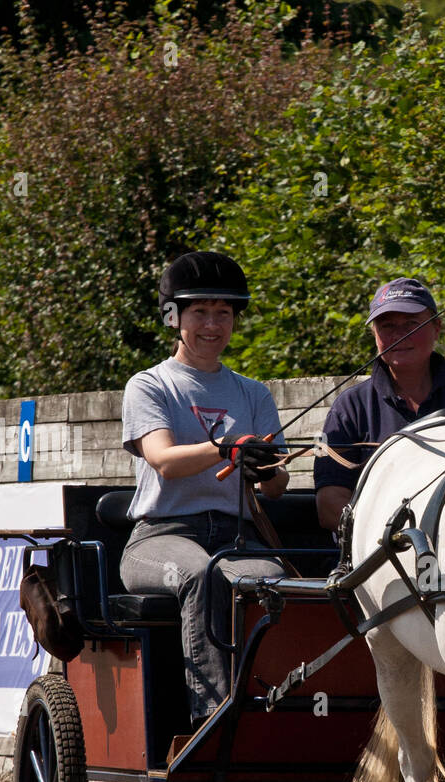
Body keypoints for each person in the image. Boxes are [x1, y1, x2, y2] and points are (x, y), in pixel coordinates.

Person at [120, 251, 289, 731]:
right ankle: (212, 717)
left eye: (224, 314)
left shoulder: (253, 393)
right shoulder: (150, 385)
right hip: (159, 538)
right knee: (200, 573)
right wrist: (229, 447)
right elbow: (164, 461)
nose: (213, 324)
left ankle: (273, 711)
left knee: (269, 582)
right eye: (200, 312)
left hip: (237, 537)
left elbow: (278, 487)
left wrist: (263, 468)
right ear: (174, 317)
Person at [314, 277, 445, 531]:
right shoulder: (349, 407)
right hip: (374, 559)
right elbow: (329, 506)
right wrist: (395, 538)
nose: (400, 335)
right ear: (374, 334)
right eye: (387, 325)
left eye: (412, 323)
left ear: (437, 327)